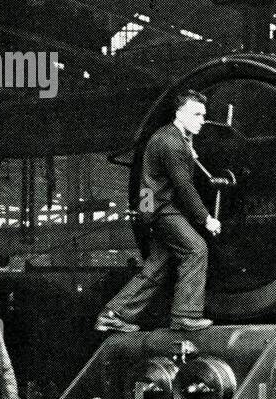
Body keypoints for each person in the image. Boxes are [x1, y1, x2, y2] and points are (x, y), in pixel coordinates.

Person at [96, 90, 224, 333]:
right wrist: (206, 219)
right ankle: (185, 315)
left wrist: (190, 150)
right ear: (179, 114)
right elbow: (184, 186)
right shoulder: (170, 143)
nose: (201, 120)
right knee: (196, 249)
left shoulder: (174, 136)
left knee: (158, 264)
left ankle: (112, 314)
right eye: (196, 114)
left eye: (203, 115)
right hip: (162, 207)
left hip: (151, 204)